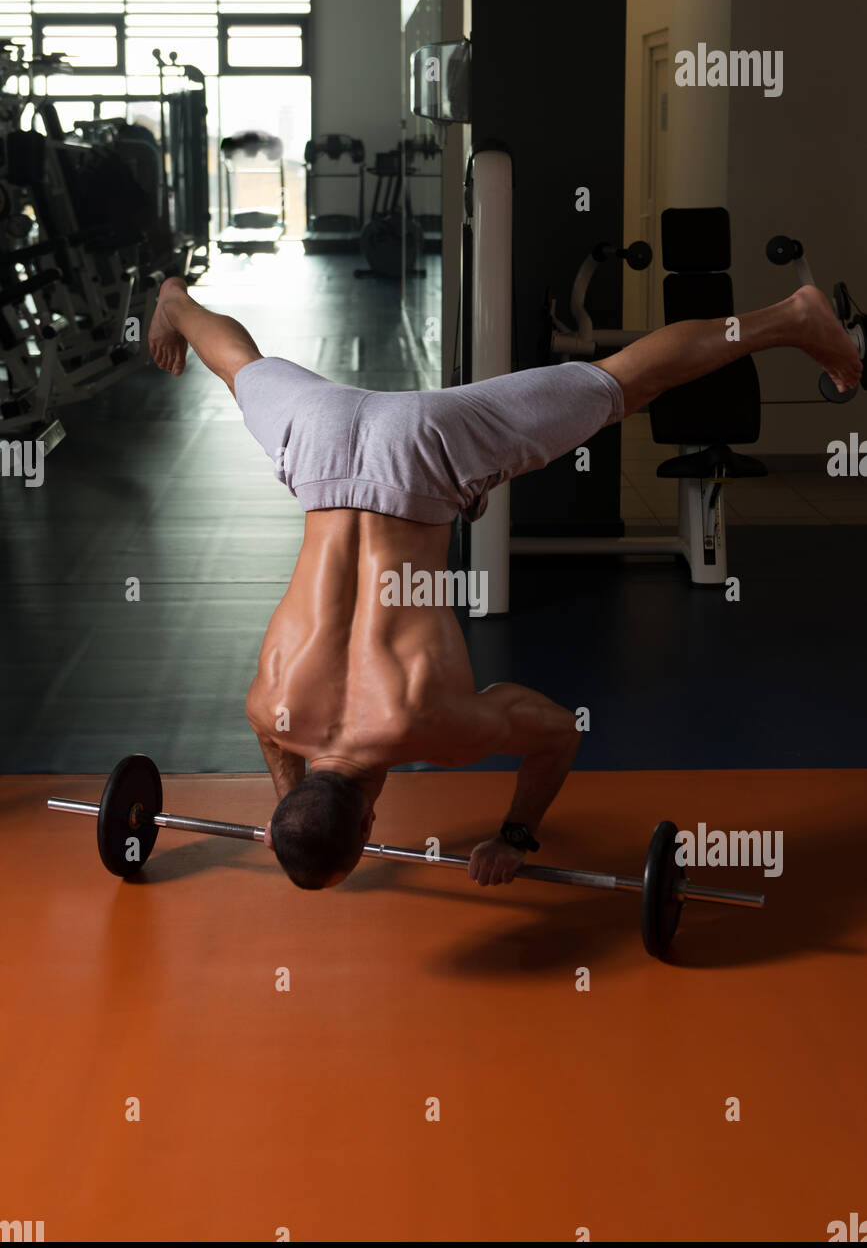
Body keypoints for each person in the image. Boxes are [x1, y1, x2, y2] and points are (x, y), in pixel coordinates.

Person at [148, 275, 861, 889]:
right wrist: (291, 808)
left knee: (621, 382)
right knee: (242, 368)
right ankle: (176, 301)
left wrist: (515, 835)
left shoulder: (436, 728)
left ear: (370, 827)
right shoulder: (270, 702)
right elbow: (281, 746)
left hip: (424, 456)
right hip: (322, 441)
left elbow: (555, 732)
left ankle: (791, 317)